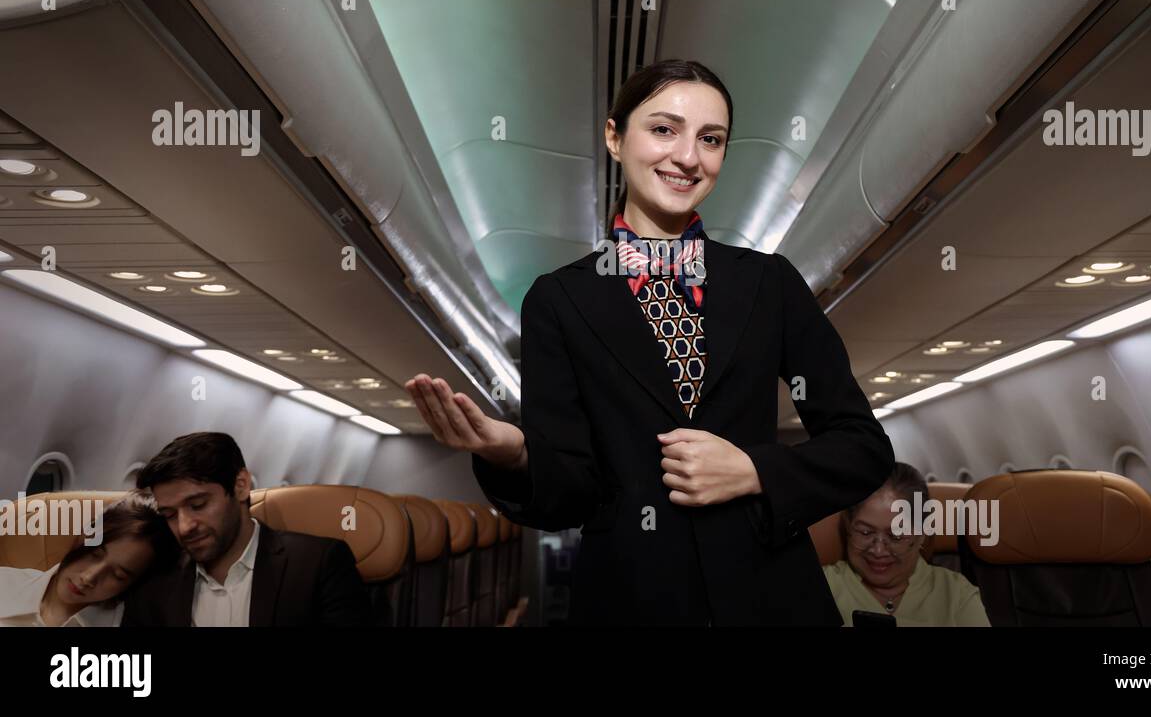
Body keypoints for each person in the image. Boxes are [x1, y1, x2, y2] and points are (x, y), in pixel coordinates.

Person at [406, 59, 894, 626]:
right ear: (614, 137)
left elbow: (862, 447)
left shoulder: (769, 284)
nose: (688, 157)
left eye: (710, 139)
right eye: (664, 129)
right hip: (631, 599)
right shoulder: (559, 301)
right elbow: (573, 493)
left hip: (771, 596)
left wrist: (755, 471)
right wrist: (513, 452)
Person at [121, 432, 373, 626]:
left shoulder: (319, 564)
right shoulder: (154, 580)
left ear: (241, 486)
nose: (185, 527)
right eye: (169, 515)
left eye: (198, 505)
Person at [822, 462, 989, 626]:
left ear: (922, 534)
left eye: (896, 536)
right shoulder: (822, 586)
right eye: (865, 532)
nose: (878, 550)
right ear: (848, 526)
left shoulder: (957, 595)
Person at [0, 491, 179, 627]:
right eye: (94, 554)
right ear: (83, 535)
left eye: (118, 575)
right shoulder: (4, 582)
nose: (88, 578)